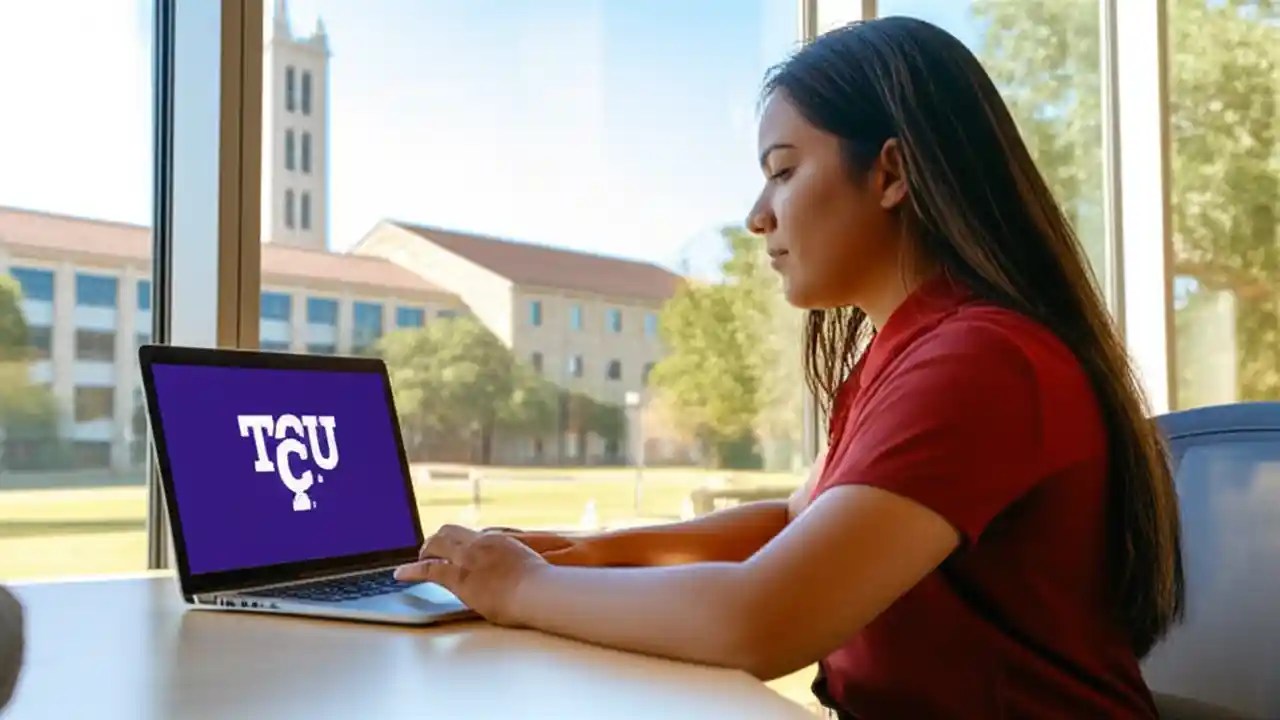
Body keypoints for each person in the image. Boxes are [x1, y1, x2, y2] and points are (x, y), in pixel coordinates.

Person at [396, 17, 1184, 719]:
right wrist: (592, 552)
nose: (756, 215)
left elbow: (762, 622)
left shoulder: (982, 362)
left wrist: (523, 588)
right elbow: (795, 522)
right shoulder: (913, 350)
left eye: (783, 169)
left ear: (889, 174)